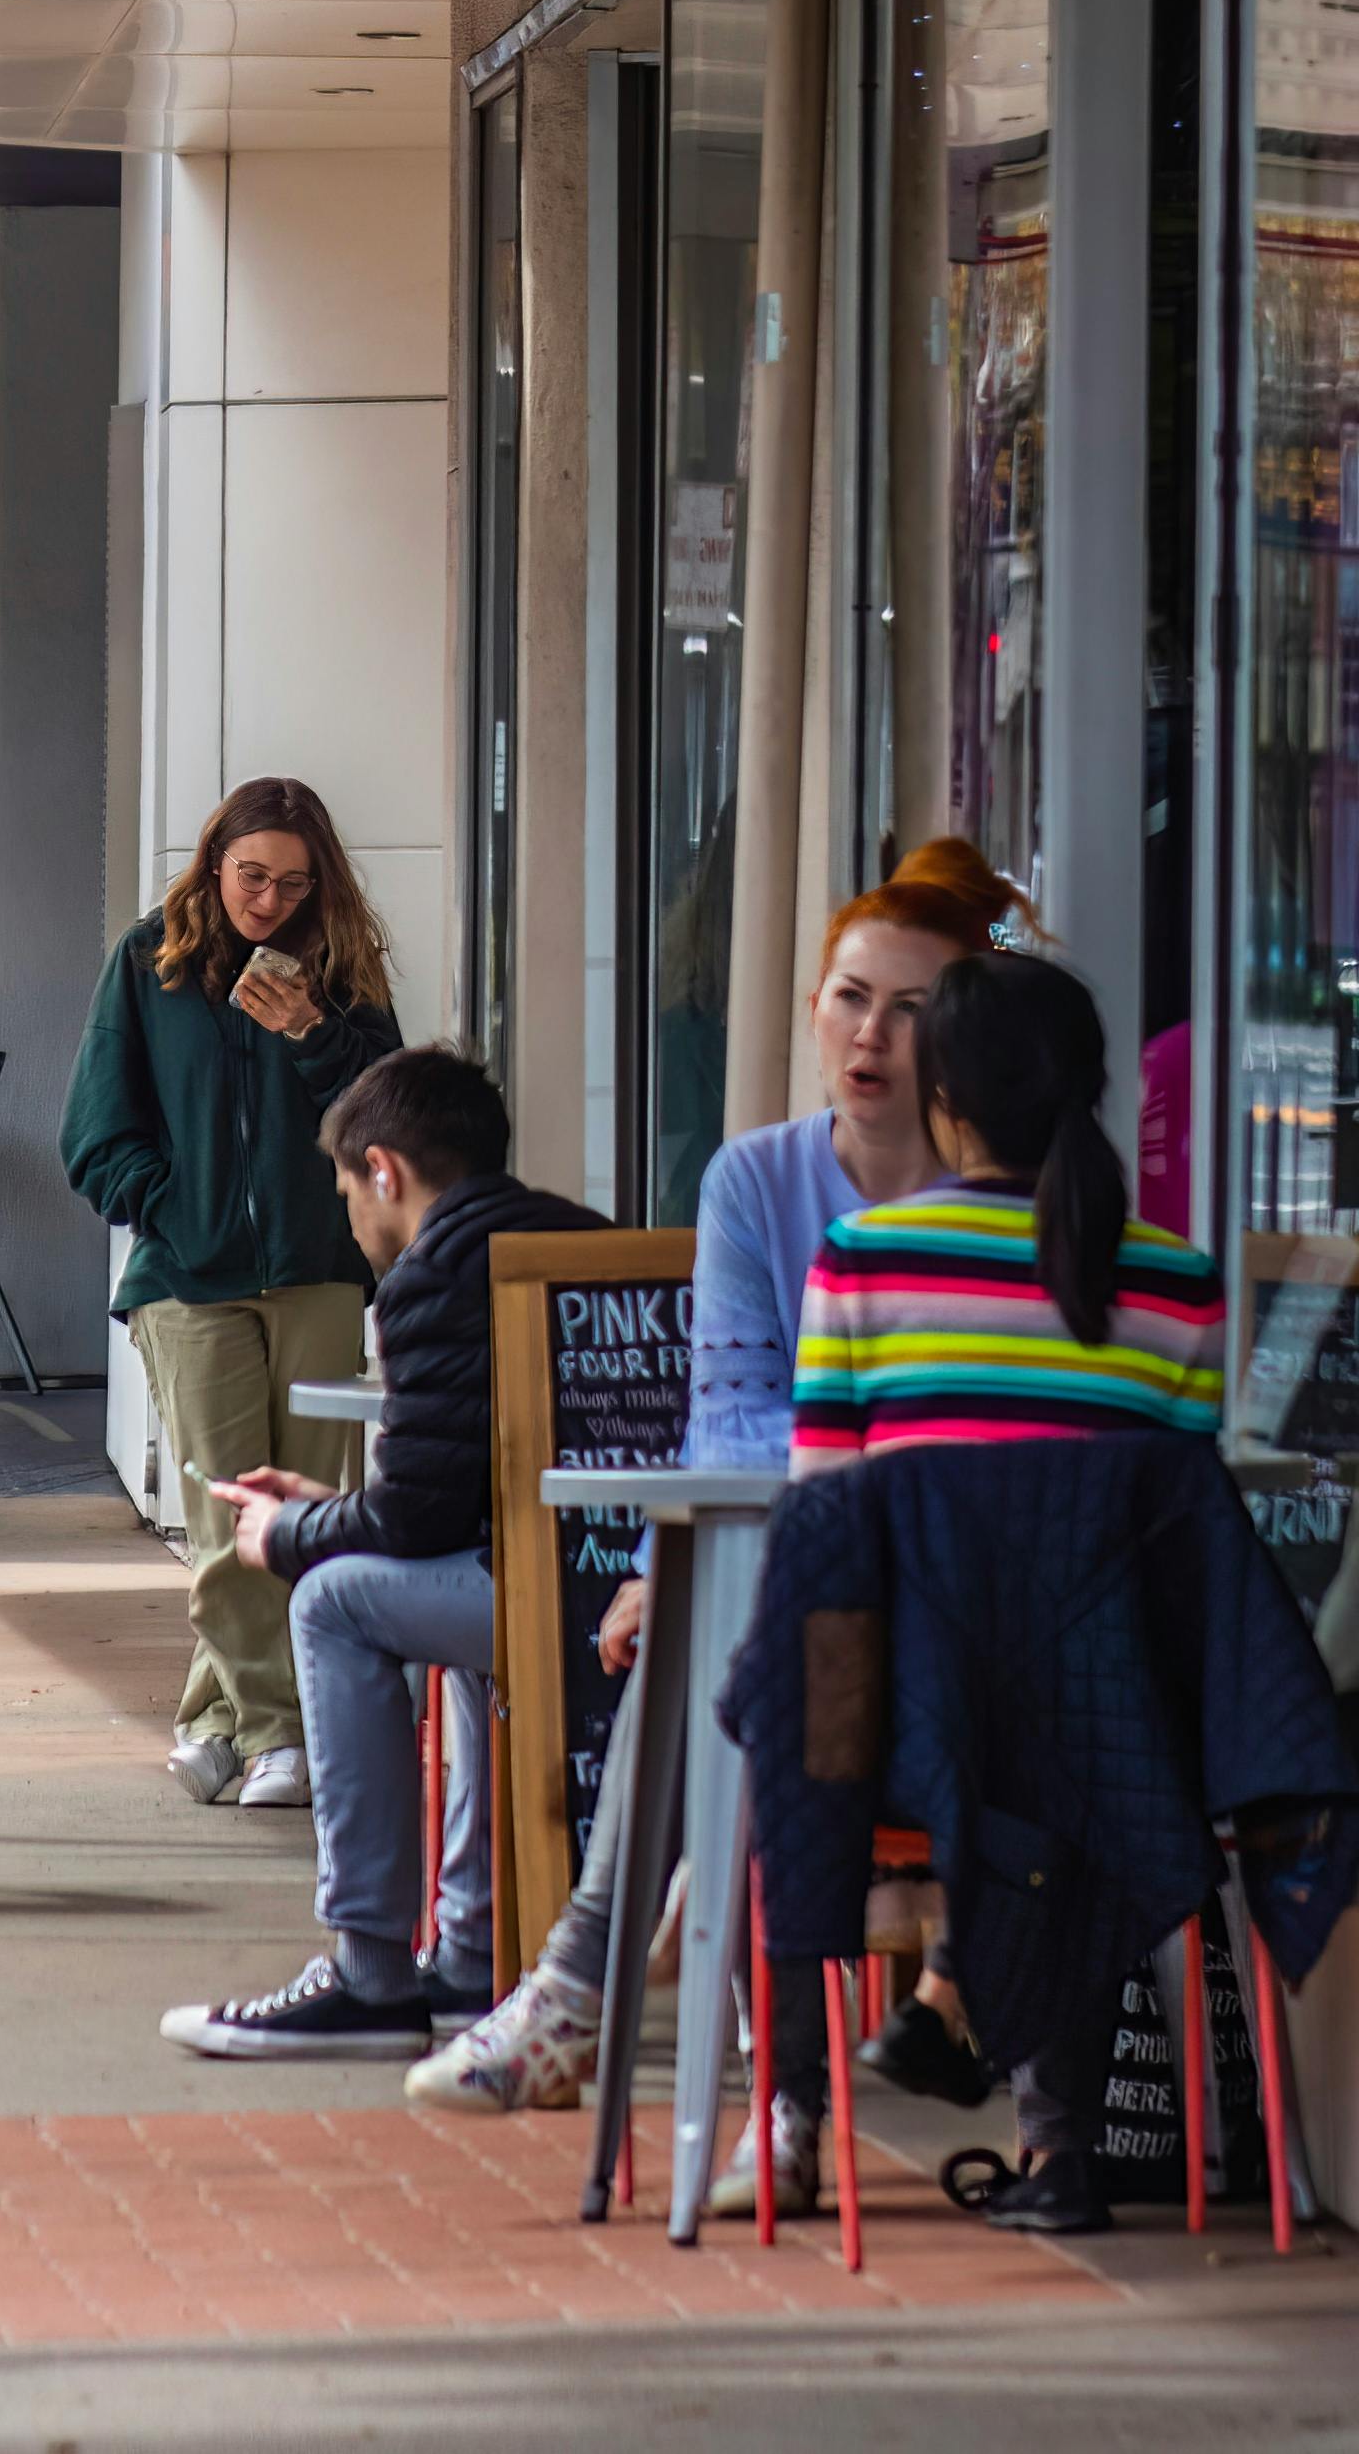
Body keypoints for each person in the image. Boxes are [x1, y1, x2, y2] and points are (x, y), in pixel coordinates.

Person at [410, 836, 1026, 2216]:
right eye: (846, 996)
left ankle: (611, 2000)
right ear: (811, 1009)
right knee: (736, 1646)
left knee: (736, 1657)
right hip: (806, 1582)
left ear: (965, 1032)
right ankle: (719, 2064)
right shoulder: (755, 1181)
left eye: (909, 1007)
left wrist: (699, 1565)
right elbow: (732, 1412)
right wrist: (656, 1562)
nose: (869, 1034)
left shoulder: (1001, 1202)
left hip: (960, 1628)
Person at [789, 948, 1227, 2235]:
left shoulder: (862, 1260)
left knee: (796, 1719)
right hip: (1124, 1738)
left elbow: (829, 1532)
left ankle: (822, 2090)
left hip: (906, 1740)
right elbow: (1178, 1540)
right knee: (1075, 1705)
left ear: (945, 1099)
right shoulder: (1179, 1278)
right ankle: (1053, 2137)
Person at [157, 1045, 600, 2057]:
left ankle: (367, 1967)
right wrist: (339, 1504)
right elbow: (454, 1491)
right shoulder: (579, 1236)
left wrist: (293, 1533)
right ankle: (471, 1953)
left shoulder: (434, 1271)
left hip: (548, 1596)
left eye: (347, 1186)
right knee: (427, 1611)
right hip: (627, 1582)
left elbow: (419, 1525)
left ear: (386, 1172)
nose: (351, 1214)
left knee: (334, 1601)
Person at [60, 776, 403, 1807]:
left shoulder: (343, 973)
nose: (269, 900)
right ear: (215, 864)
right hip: (188, 1280)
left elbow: (391, 1124)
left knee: (307, 1525)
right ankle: (287, 1734)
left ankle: (217, 1719)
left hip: (318, 1275)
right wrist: (170, 1206)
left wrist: (313, 1033)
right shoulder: (148, 962)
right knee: (226, 1522)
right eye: (252, 875)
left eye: (293, 883)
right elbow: (94, 1133)